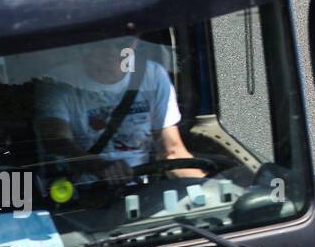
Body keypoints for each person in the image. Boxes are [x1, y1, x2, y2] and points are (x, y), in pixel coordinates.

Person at [35, 36, 203, 181]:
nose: (112, 52)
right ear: (85, 45)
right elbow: (56, 140)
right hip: (84, 190)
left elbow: (172, 150)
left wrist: (204, 190)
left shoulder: (152, 74)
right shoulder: (58, 81)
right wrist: (99, 166)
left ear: (136, 42)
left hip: (142, 186)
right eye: (101, 44)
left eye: (122, 43)